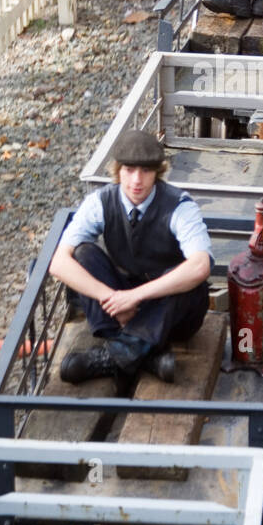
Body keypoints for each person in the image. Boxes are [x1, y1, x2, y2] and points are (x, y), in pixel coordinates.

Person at [50, 128, 212, 385]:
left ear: (158, 173)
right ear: (118, 170)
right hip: (120, 309)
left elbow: (201, 265)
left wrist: (135, 297)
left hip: (168, 313)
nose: (136, 180)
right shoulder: (100, 202)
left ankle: (113, 356)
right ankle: (146, 357)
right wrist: (112, 297)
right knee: (83, 253)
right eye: (129, 170)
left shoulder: (179, 206)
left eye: (146, 171)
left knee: (188, 280)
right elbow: (58, 262)